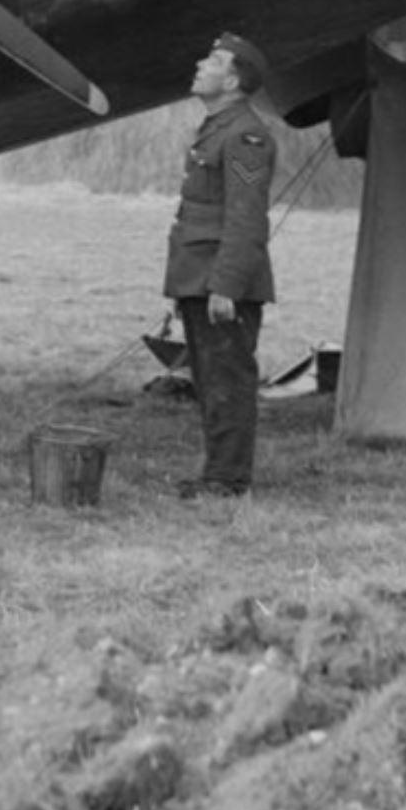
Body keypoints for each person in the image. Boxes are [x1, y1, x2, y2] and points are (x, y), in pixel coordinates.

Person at [164, 31, 277, 498]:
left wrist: (225, 287)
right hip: (200, 276)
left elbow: (245, 218)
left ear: (232, 79)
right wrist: (183, 287)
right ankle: (218, 473)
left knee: (227, 378)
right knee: (210, 380)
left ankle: (229, 480)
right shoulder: (216, 128)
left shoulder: (245, 135)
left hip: (221, 281)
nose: (200, 64)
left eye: (212, 60)